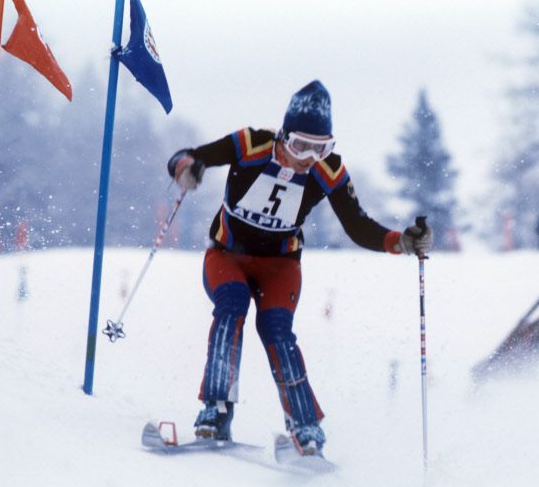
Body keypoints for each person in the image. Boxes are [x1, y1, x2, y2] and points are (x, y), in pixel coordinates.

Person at [167, 80, 433, 456]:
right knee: (232, 306)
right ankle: (216, 410)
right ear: (283, 137)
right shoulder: (251, 144)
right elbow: (190, 156)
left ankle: (306, 430)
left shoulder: (328, 170)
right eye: (300, 146)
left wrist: (400, 241)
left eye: (320, 148)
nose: (308, 157)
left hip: (280, 265)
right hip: (228, 255)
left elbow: (357, 225)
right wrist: (187, 167)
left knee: (277, 331)